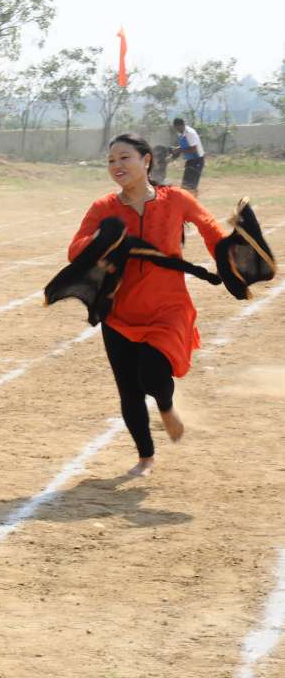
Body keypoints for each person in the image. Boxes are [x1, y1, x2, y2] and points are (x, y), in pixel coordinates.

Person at [67, 133, 226, 477]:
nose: (116, 166)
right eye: (111, 161)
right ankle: (145, 457)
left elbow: (211, 229)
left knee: (153, 373)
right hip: (119, 309)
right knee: (129, 389)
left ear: (147, 160)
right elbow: (75, 249)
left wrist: (230, 259)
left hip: (168, 307)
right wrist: (100, 241)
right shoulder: (104, 208)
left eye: (124, 158)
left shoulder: (176, 200)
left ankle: (166, 407)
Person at [171, 118, 205, 194]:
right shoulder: (181, 132)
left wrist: (180, 150)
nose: (177, 130)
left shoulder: (190, 133)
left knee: (191, 186)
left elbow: (193, 149)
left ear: (182, 125)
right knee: (185, 185)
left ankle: (194, 202)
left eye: (177, 128)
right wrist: (178, 148)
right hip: (190, 161)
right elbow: (186, 145)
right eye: (175, 128)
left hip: (197, 160)